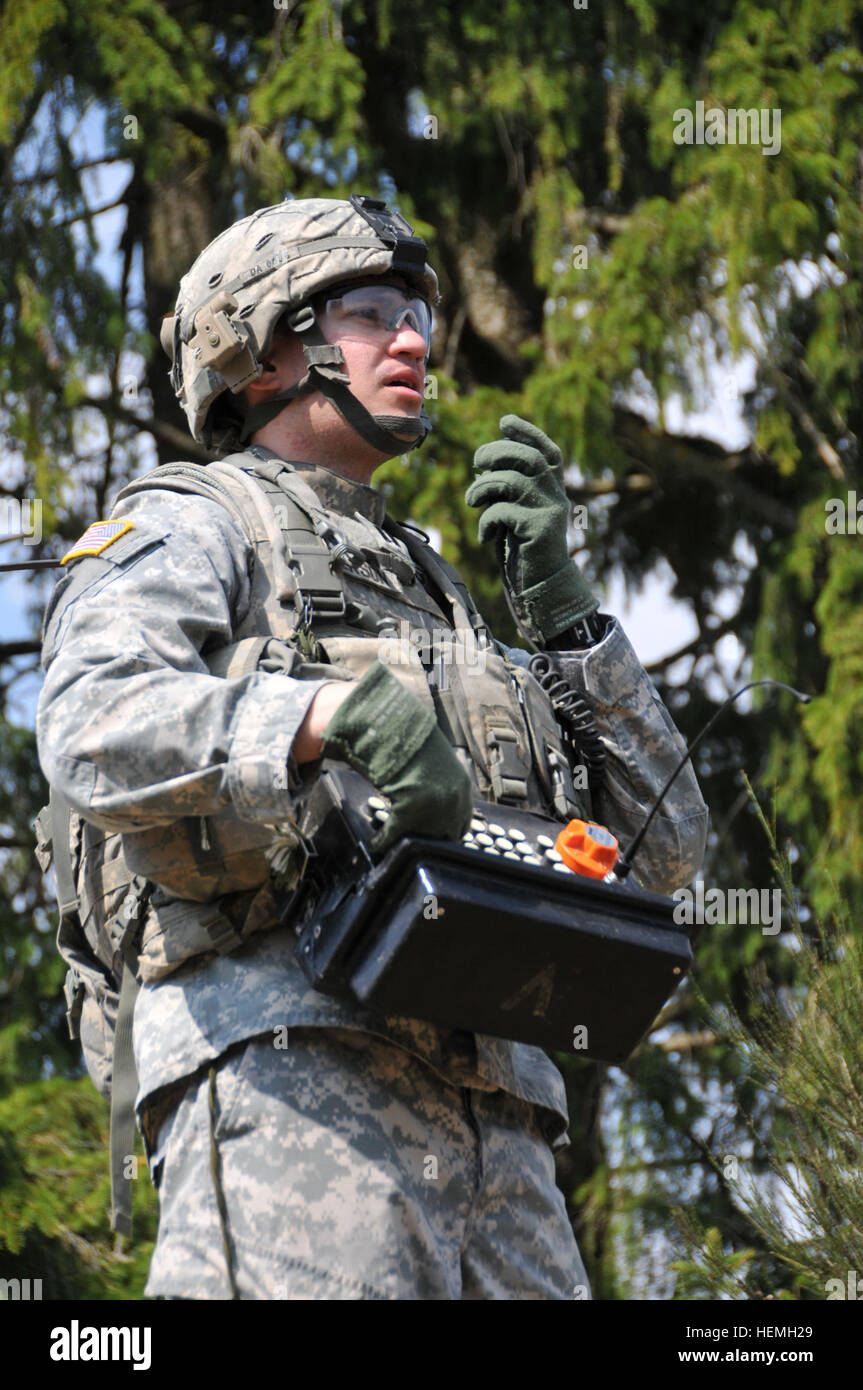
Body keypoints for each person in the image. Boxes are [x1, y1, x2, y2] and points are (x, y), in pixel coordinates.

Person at [36, 194, 708, 1301]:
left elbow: (667, 853)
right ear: (258, 350)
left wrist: (570, 623)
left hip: (503, 1127)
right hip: (291, 1081)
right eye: (369, 309)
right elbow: (91, 725)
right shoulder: (193, 521)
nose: (412, 339)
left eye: (417, 314)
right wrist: (315, 719)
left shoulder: (439, 596)